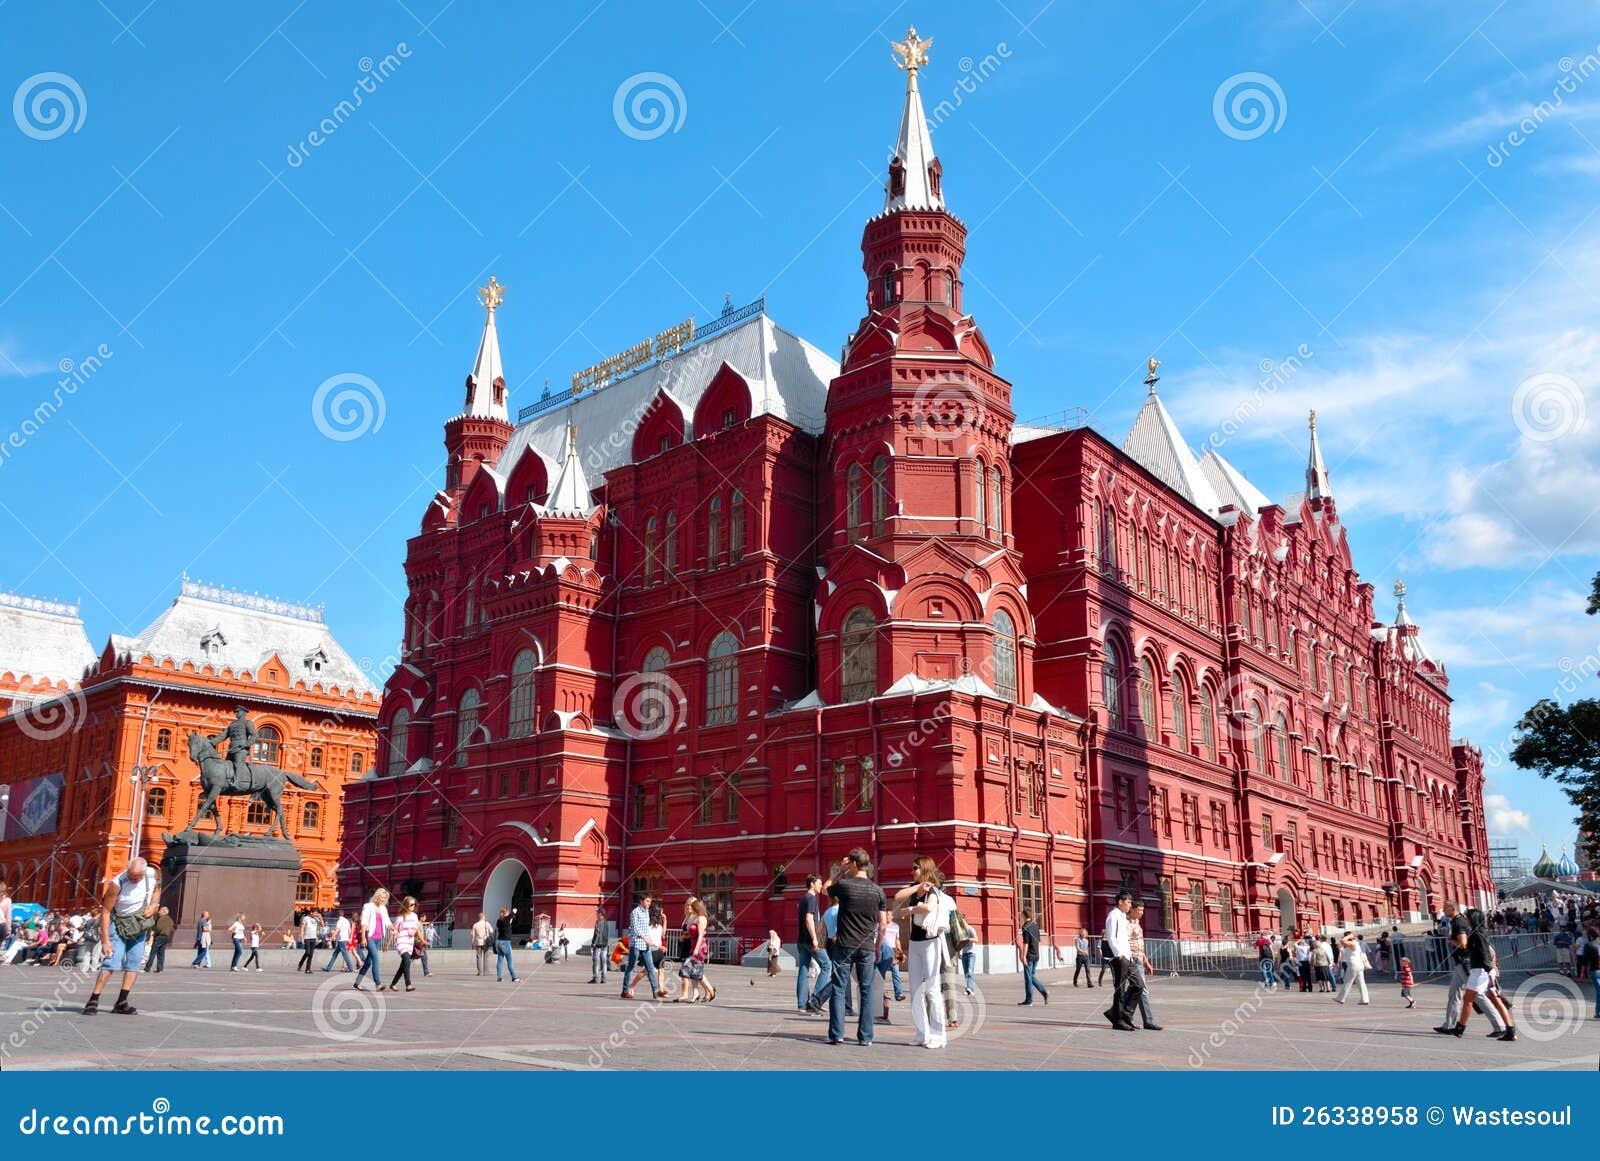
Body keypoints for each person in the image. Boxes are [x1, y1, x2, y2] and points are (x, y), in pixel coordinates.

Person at [825, 849, 888, 1047]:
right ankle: (865, 1037)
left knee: (839, 988)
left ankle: (837, 1034)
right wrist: (878, 947)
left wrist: (840, 871)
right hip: (867, 947)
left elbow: (827, 886)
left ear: (852, 863)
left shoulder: (843, 885)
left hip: (844, 945)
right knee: (866, 990)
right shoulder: (878, 890)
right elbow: (883, 924)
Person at [82, 857, 158, 1015]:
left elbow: (157, 889)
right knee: (111, 962)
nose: (131, 879)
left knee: (134, 964)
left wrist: (153, 905)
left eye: (135, 877)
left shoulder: (152, 875)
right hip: (118, 925)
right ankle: (93, 1000)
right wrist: (106, 941)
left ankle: (121, 1002)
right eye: (130, 875)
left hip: (139, 926)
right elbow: (105, 912)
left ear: (143, 873)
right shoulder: (117, 883)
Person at [893, 856, 952, 1047]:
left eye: (915, 868)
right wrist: (917, 887)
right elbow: (897, 896)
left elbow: (929, 907)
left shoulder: (933, 890)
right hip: (915, 942)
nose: (912, 871)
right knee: (916, 990)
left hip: (931, 942)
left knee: (933, 990)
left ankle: (938, 1036)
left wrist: (910, 910)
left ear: (925, 868)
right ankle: (922, 1034)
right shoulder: (917, 889)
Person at [1444, 908, 1517, 1041]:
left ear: (1472, 919)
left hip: (1480, 971)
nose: (1465, 919)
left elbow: (1484, 952)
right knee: (1494, 1000)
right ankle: (1510, 1030)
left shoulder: (1477, 934)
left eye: (1467, 917)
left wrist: (1488, 969)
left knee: (1468, 999)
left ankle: (1459, 1029)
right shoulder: (1479, 932)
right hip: (1484, 970)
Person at [1102, 888, 1140, 1031]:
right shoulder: (1114, 916)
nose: (1130, 905)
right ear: (1120, 902)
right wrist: (1118, 954)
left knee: (1138, 985)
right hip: (1120, 957)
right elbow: (1111, 936)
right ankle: (1118, 1021)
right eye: (1128, 902)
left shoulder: (1123, 916)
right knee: (1120, 988)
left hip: (1127, 956)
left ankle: (1123, 1014)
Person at [797, 874, 832, 1013]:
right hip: (810, 940)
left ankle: (802, 1004)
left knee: (804, 970)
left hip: (801, 940)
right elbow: (809, 919)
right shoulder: (811, 898)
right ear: (812, 884)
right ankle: (815, 1000)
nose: (820, 886)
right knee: (827, 965)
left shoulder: (804, 898)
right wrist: (815, 939)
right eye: (819, 883)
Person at [620, 894, 659, 1000]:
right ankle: (624, 991)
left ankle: (655, 991)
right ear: (641, 901)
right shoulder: (635, 912)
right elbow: (636, 929)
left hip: (645, 945)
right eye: (647, 901)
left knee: (650, 968)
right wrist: (646, 940)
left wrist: (649, 940)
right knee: (631, 967)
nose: (649, 903)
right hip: (636, 944)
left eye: (650, 902)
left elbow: (646, 929)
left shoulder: (646, 912)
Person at [677, 897, 715, 1002]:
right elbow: (692, 933)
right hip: (692, 945)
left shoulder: (701, 918)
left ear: (696, 907)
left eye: (691, 905)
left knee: (695, 971)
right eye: (687, 905)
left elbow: (701, 936)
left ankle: (710, 990)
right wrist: (684, 936)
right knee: (694, 971)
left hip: (699, 947)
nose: (689, 907)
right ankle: (697, 994)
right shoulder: (693, 917)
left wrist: (696, 949)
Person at [354, 888, 390, 992]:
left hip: (378, 938)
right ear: (377, 896)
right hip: (369, 937)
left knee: (368, 962)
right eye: (382, 897)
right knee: (375, 959)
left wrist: (393, 929)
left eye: (385, 898)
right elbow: (364, 922)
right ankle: (378, 984)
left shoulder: (383, 908)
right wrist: (363, 938)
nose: (383, 900)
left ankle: (357, 982)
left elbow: (387, 922)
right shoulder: (368, 906)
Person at [388, 896, 422, 992]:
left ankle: (393, 984)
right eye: (411, 904)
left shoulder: (414, 916)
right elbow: (395, 929)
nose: (413, 906)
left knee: (403, 965)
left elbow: (416, 927)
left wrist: (414, 932)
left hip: (409, 942)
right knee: (407, 959)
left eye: (414, 904)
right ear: (406, 905)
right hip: (401, 941)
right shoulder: (400, 917)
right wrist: (392, 936)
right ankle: (408, 984)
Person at [1016, 906, 1048, 1007]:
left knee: (1028, 978)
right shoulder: (1035, 926)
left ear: (1024, 915)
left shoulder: (1025, 926)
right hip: (1036, 955)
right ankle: (1043, 992)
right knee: (1032, 976)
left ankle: (1029, 1000)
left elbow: (1026, 943)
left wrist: (1023, 956)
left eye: (1021, 914)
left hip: (1029, 955)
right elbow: (1038, 941)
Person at [1334, 930, 1369, 1005]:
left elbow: (1342, 940)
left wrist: (1350, 936)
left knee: (1347, 981)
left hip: (1354, 965)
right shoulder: (1354, 943)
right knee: (1361, 982)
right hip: (1358, 964)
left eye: (1345, 936)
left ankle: (1341, 998)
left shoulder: (1352, 943)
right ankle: (1364, 999)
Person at [877, 913, 905, 1004]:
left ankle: (899, 994)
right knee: (881, 974)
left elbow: (897, 940)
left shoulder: (896, 926)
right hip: (883, 952)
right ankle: (880, 994)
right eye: (886, 915)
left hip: (894, 952)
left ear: (892, 916)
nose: (887, 916)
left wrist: (901, 953)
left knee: (896, 973)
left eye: (889, 915)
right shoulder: (879, 925)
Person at [494, 907, 521, 983]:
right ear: (506, 914)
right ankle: (514, 977)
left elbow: (510, 918)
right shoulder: (506, 919)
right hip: (505, 942)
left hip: (499, 942)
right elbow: (512, 914)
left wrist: (511, 915)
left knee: (500, 960)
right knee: (510, 961)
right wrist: (514, 911)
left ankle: (499, 977)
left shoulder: (499, 920)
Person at [147, 906, 174, 973]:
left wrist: (154, 933)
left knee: (153, 952)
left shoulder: (161, 918)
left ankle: (147, 968)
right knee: (161, 953)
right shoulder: (170, 919)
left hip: (159, 936)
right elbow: (172, 929)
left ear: (164, 912)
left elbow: (158, 928)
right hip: (166, 937)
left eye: (160, 911)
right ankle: (160, 968)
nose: (159, 912)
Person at [474, 912, 497, 978]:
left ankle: (479, 972)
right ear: (483, 917)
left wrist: (472, 943)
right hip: (485, 942)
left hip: (478, 942)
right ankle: (486, 971)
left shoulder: (475, 925)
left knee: (478, 957)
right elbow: (492, 931)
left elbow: (473, 935)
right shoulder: (486, 923)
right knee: (486, 957)